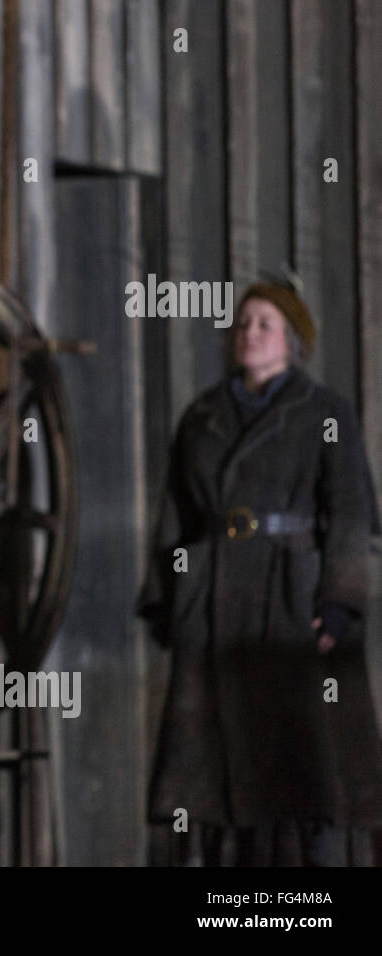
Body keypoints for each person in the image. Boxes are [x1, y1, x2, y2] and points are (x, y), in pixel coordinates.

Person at [136, 275, 382, 866]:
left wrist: (339, 603)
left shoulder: (324, 412)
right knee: (211, 780)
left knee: (299, 773)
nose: (250, 334)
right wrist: (168, 597)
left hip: (289, 606)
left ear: (293, 341)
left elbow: (350, 509)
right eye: (243, 324)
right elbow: (176, 512)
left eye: (265, 324)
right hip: (213, 604)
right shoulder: (202, 416)